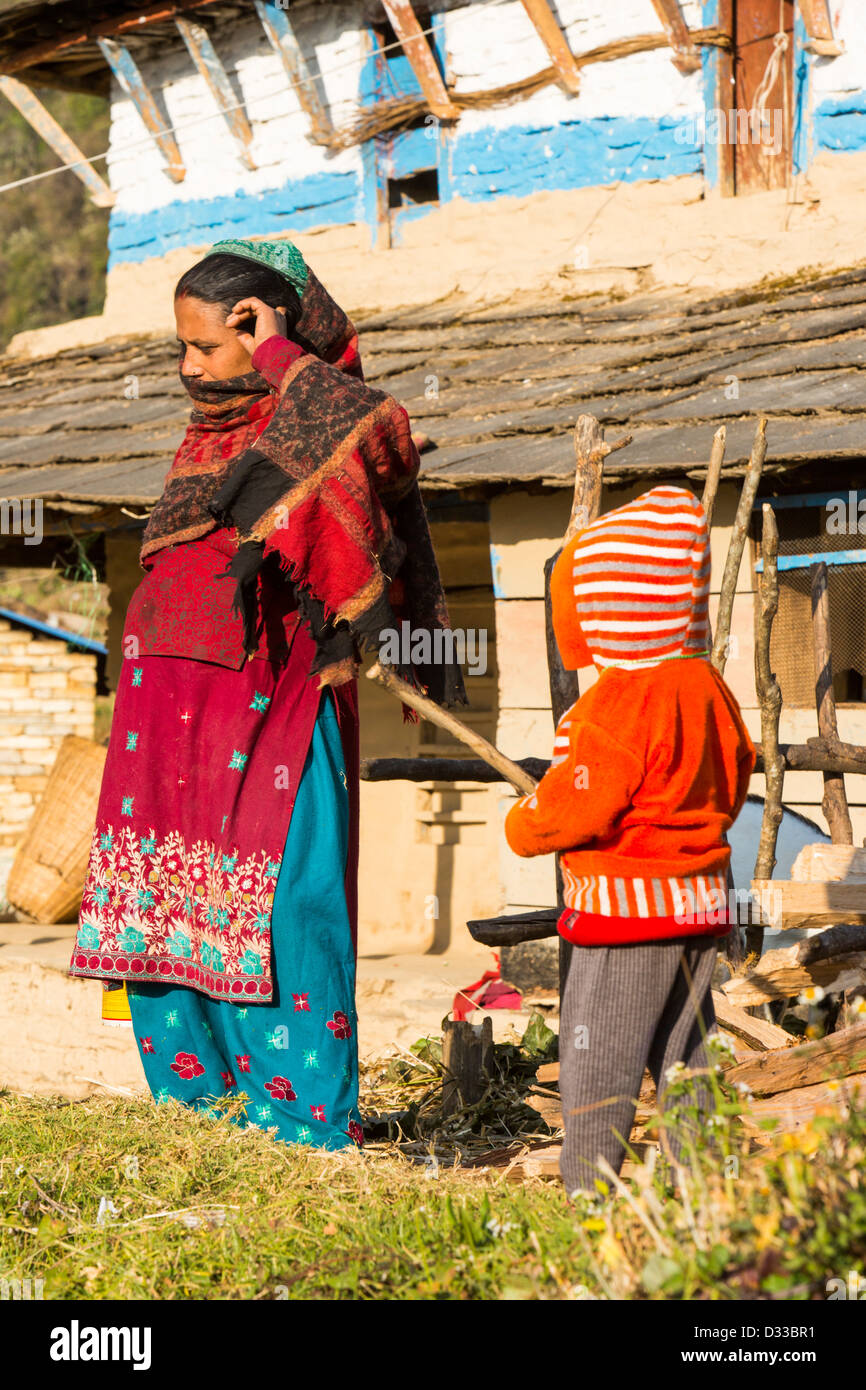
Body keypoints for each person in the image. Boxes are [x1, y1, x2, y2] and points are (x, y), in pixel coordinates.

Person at [69, 237, 464, 1150]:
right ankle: (200, 1120)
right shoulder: (207, 438)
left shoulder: (324, 414)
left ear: (259, 325)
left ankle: (301, 1125)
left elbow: (375, 430)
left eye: (208, 346)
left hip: (271, 709)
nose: (188, 368)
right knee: (164, 907)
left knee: (283, 905)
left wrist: (285, 353)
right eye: (182, 347)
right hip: (165, 718)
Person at [504, 485, 755, 1193]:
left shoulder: (615, 704)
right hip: (703, 901)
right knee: (687, 1048)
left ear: (611, 602)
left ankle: (590, 1193)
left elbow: (575, 808)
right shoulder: (706, 686)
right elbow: (738, 771)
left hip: (627, 912)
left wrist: (526, 824)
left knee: (600, 1055)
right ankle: (706, 1184)